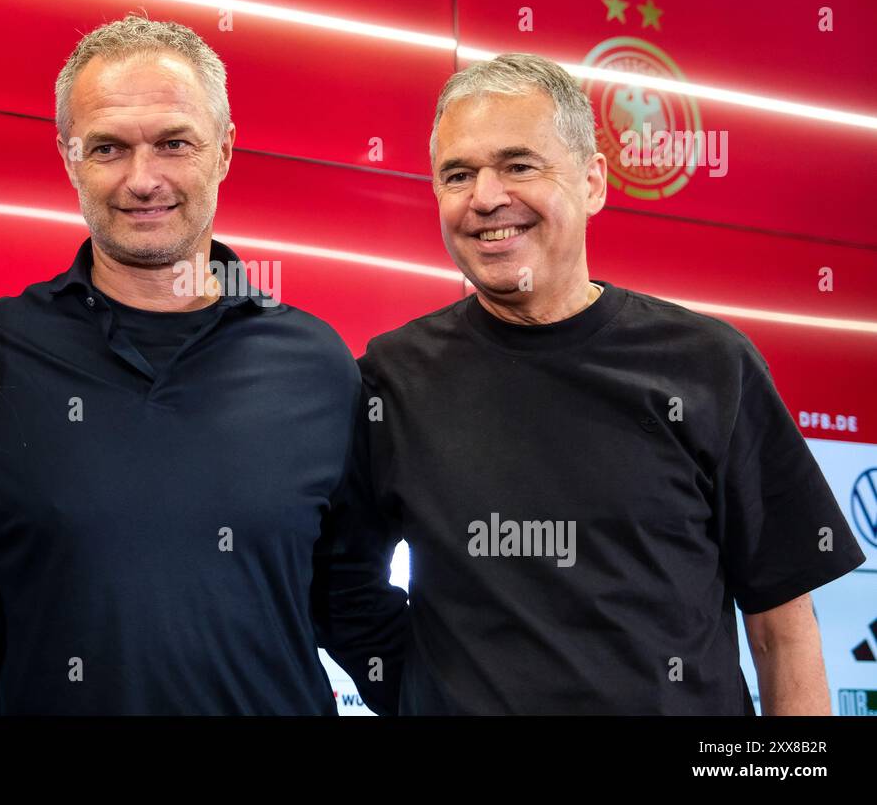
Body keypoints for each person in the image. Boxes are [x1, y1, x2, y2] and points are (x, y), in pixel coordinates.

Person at [351, 52, 865, 714]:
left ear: (593, 181)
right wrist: (426, 693)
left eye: (518, 165)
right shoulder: (392, 379)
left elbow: (783, 631)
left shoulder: (709, 365)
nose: (484, 197)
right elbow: (345, 587)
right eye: (458, 174)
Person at [0, 15, 408, 714]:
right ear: (69, 157)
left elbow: (351, 597)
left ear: (225, 152)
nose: (143, 180)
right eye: (109, 148)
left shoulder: (319, 364)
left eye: (174, 143)